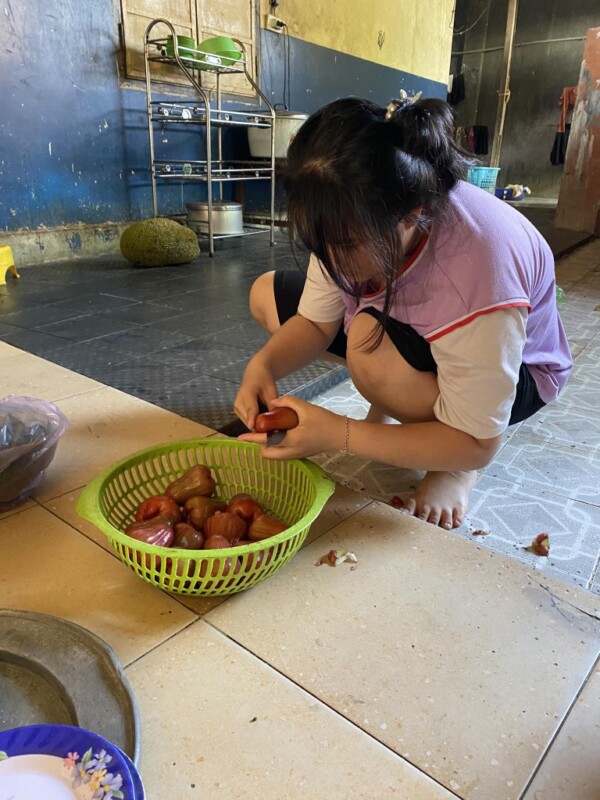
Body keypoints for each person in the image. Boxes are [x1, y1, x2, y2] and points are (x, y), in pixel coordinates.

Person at [233, 94, 572, 530]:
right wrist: (262, 365)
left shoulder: (478, 271)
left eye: (346, 245)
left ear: (413, 213)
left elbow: (479, 442)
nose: (331, 262)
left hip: (518, 374)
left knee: (368, 352)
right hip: (426, 326)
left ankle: (450, 464)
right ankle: (405, 409)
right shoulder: (349, 209)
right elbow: (316, 322)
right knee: (267, 294)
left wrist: (339, 433)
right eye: (320, 244)